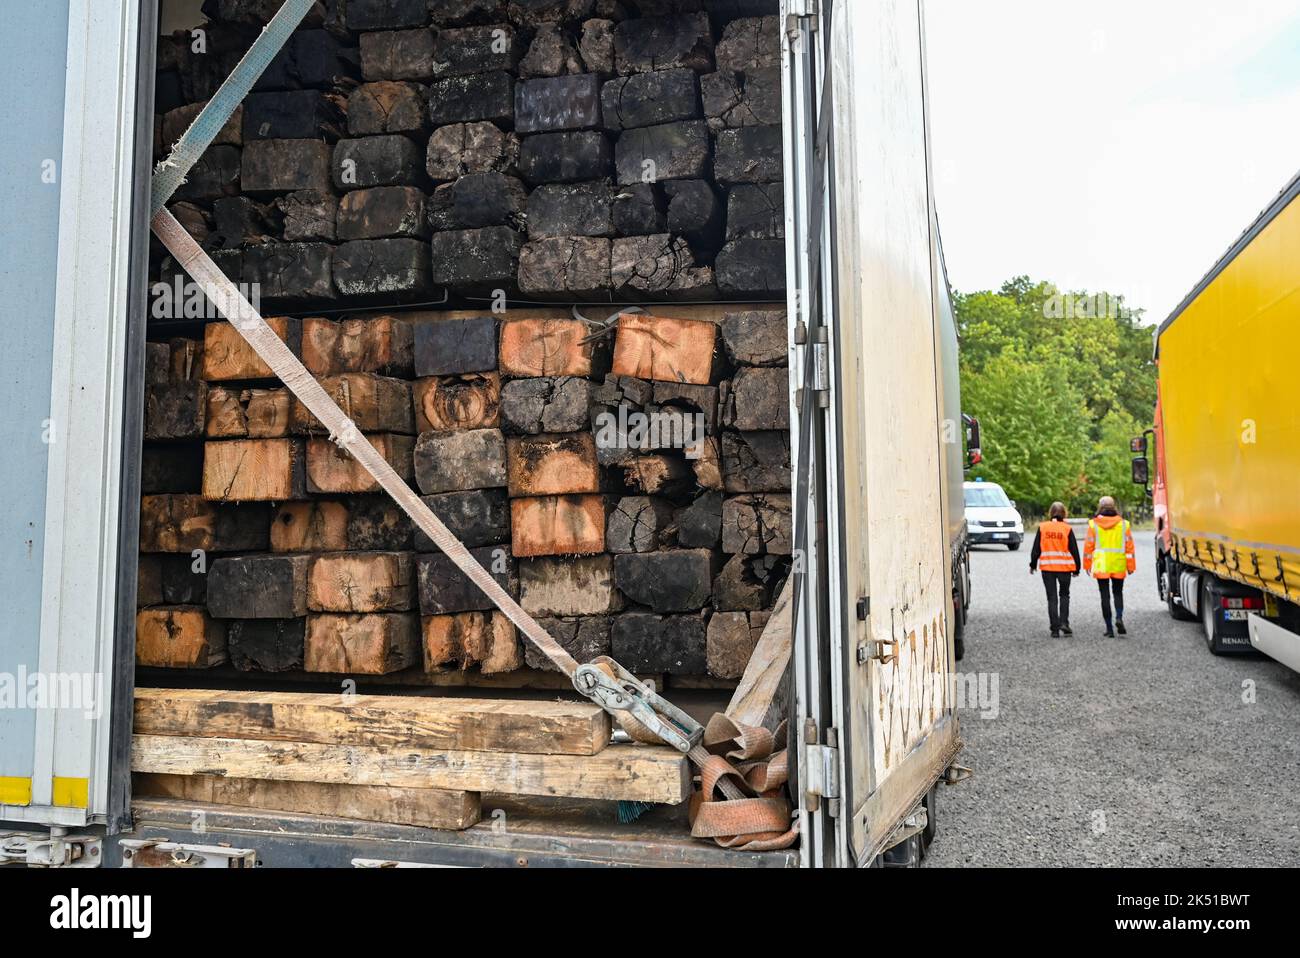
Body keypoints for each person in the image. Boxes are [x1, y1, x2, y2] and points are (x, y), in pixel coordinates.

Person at [1083, 496, 1136, 637]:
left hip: (1102, 565)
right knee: (1118, 593)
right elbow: (1129, 547)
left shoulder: (1093, 525)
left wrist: (1087, 565)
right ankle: (1119, 617)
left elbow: (1088, 546)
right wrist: (1131, 566)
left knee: (1104, 596)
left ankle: (1109, 628)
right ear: (1114, 507)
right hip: (1118, 563)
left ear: (1100, 507)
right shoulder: (1124, 524)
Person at [1029, 502, 1081, 637]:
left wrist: (1033, 565)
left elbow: (1036, 549)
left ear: (1050, 513)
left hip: (1047, 568)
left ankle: (1054, 629)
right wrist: (1077, 568)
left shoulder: (1043, 527)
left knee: (1051, 598)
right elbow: (1074, 550)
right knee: (1064, 595)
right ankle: (1064, 623)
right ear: (1064, 513)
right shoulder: (1067, 529)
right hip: (1064, 568)